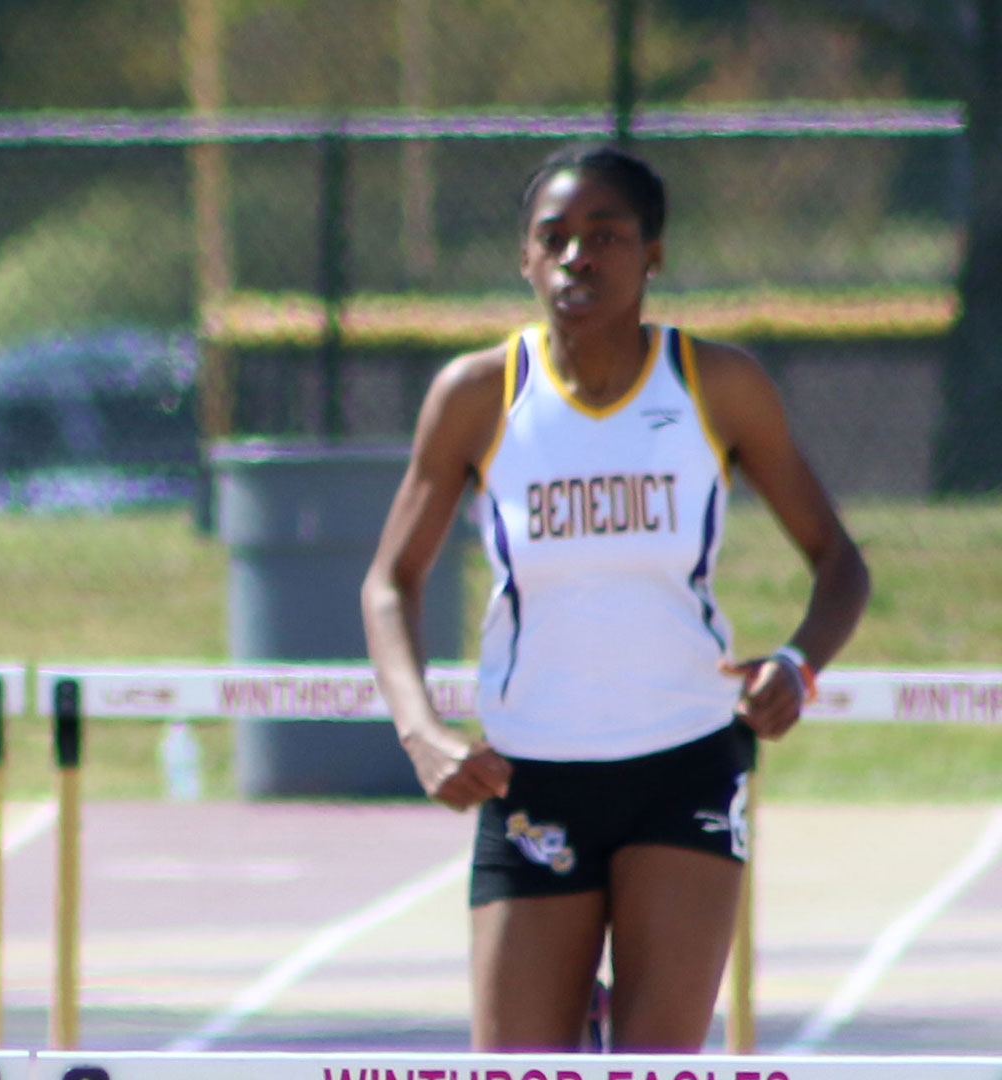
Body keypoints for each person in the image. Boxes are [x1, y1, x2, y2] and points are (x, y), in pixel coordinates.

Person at [359, 143, 869, 1053]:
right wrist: (421, 732)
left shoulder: (719, 386)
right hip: (530, 773)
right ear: (523, 259)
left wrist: (798, 664)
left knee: (654, 1067)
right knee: (516, 1067)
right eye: (552, 238)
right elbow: (390, 582)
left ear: (652, 254)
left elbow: (839, 562)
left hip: (685, 763)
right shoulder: (479, 395)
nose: (576, 258)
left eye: (605, 235)